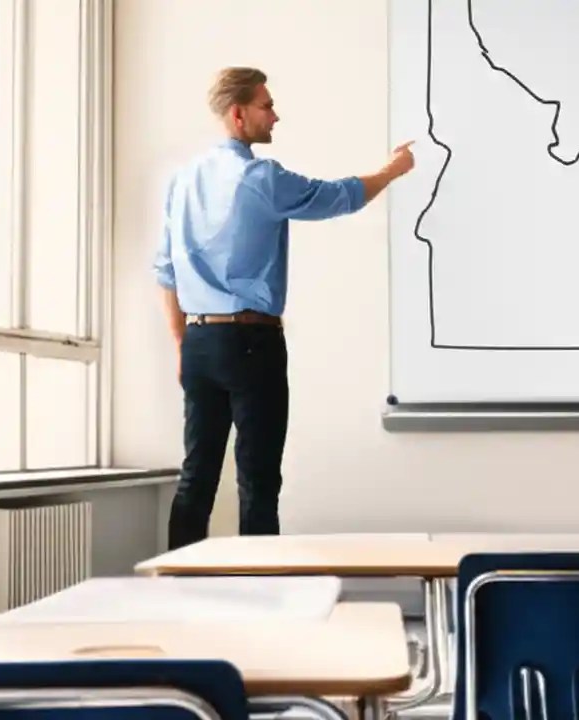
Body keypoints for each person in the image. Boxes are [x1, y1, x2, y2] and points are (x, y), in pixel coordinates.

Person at [153, 66, 414, 549]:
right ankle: (259, 592)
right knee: (257, 478)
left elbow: (165, 270)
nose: (275, 115)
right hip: (252, 341)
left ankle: (176, 590)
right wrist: (391, 171)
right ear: (238, 114)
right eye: (266, 105)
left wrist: (181, 346)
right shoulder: (260, 177)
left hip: (199, 343)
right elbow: (337, 197)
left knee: (197, 474)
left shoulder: (182, 181)